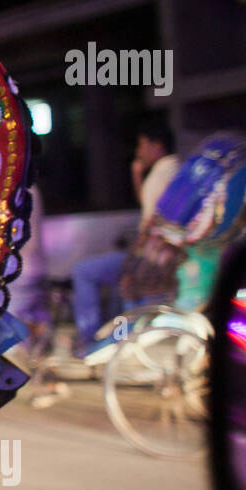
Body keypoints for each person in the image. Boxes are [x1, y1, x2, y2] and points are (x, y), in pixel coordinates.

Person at [71, 118, 181, 352]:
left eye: (142, 145)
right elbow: (150, 206)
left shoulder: (165, 172)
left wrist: (140, 247)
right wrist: (137, 175)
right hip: (153, 256)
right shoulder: (169, 170)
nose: (139, 151)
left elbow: (156, 217)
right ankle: (103, 340)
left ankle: (89, 340)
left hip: (151, 258)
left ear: (156, 145)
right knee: (113, 284)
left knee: (83, 272)